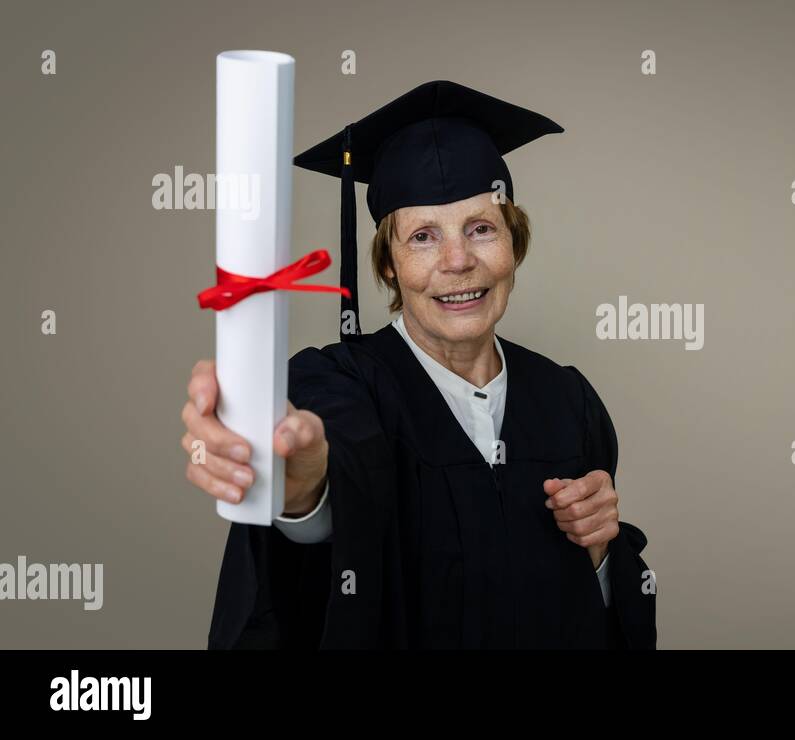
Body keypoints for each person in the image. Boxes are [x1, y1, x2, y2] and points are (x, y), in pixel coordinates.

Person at [180, 81, 656, 648]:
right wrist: (300, 480)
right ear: (389, 265)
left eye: (481, 229)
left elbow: (608, 614)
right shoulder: (337, 387)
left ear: (514, 245)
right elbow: (324, 497)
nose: (458, 262)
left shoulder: (566, 401)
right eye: (424, 237)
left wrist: (599, 552)